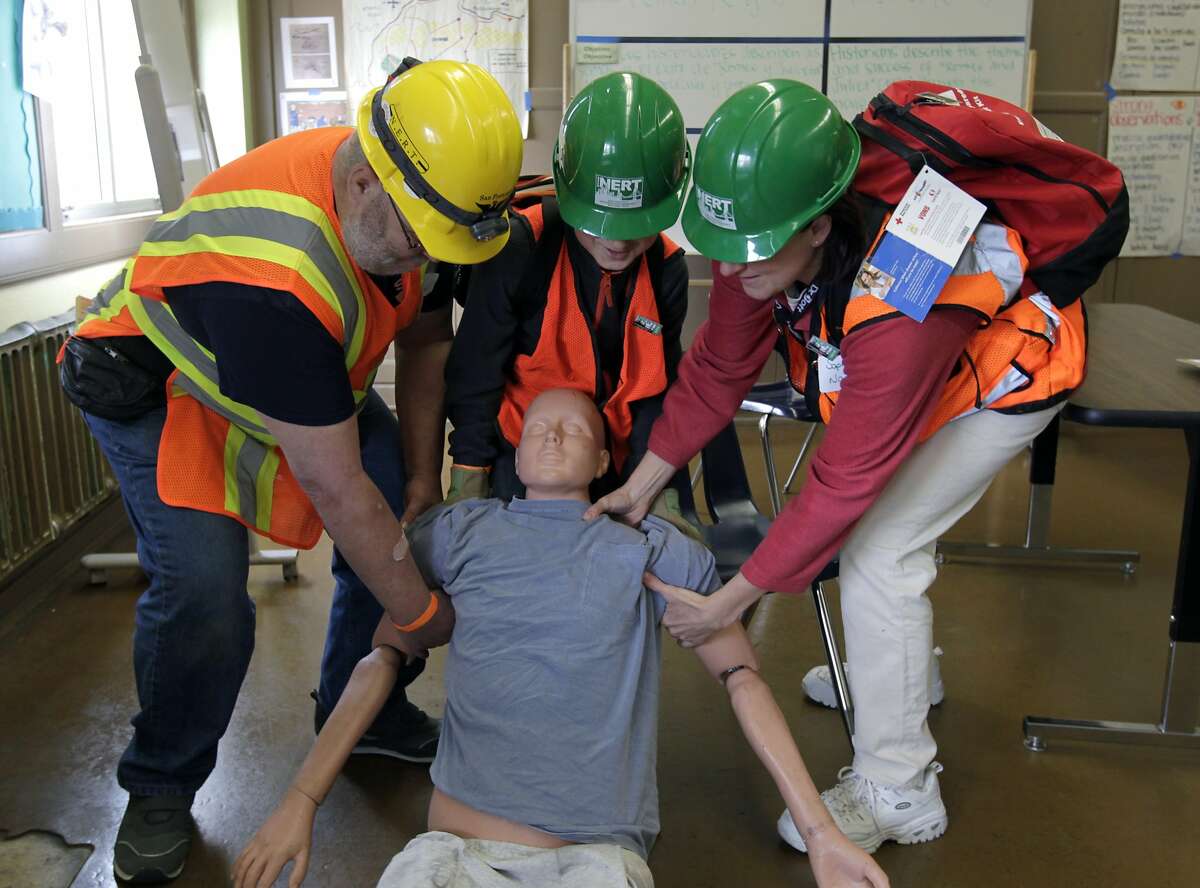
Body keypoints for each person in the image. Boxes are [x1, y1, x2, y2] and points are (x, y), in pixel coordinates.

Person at [588, 81, 1088, 855]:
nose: (729, 266)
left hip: (1010, 370)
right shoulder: (755, 233)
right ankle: (908, 683)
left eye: (750, 253)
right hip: (922, 365)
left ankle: (901, 787)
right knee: (879, 537)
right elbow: (720, 365)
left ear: (817, 228)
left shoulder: (906, 282)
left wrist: (730, 602)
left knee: (881, 548)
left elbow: (846, 481)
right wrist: (638, 487)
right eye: (720, 245)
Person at [58, 58, 522, 883]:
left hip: (288, 381)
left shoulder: (425, 198)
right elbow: (336, 487)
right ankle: (160, 782)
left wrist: (420, 478)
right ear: (362, 182)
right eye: (417, 238)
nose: (425, 256)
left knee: (386, 504)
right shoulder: (275, 278)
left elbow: (423, 342)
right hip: (161, 384)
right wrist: (417, 617)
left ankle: (359, 705)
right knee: (207, 597)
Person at [233, 388, 889, 888]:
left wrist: (820, 830)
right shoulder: (459, 534)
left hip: (593, 858)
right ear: (514, 454)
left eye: (575, 428)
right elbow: (381, 658)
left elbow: (741, 679)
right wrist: (301, 798)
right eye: (539, 426)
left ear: (605, 459)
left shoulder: (648, 546)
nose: (552, 433)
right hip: (453, 853)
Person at [443, 72, 693, 520]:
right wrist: (467, 480)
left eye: (635, 226)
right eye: (598, 223)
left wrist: (661, 493)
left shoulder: (665, 270)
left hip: (620, 450)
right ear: (569, 193)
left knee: (662, 550)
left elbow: (658, 395)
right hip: (524, 447)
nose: (616, 244)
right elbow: (476, 375)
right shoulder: (518, 250)